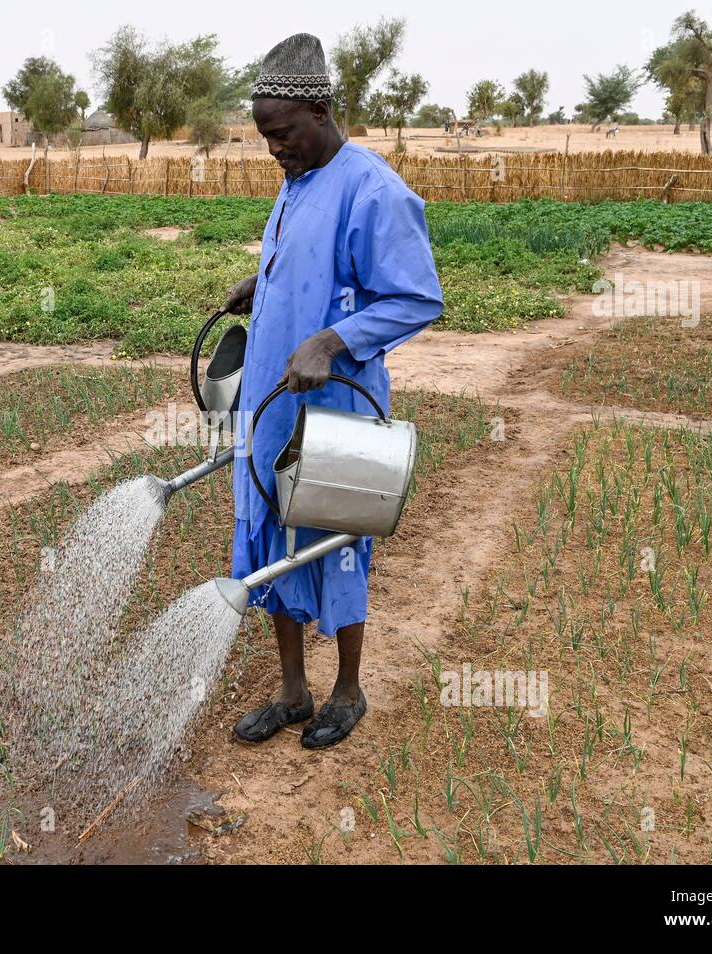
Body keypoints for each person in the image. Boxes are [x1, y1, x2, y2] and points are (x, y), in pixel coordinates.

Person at [224, 33, 444, 749]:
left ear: (318, 112)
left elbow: (416, 297)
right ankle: (292, 690)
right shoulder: (296, 181)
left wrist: (331, 340)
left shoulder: (374, 186)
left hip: (335, 401)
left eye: (281, 135)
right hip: (271, 398)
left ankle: (347, 691)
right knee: (269, 530)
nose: (273, 151)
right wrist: (263, 281)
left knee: (334, 537)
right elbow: (314, 259)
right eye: (264, 138)